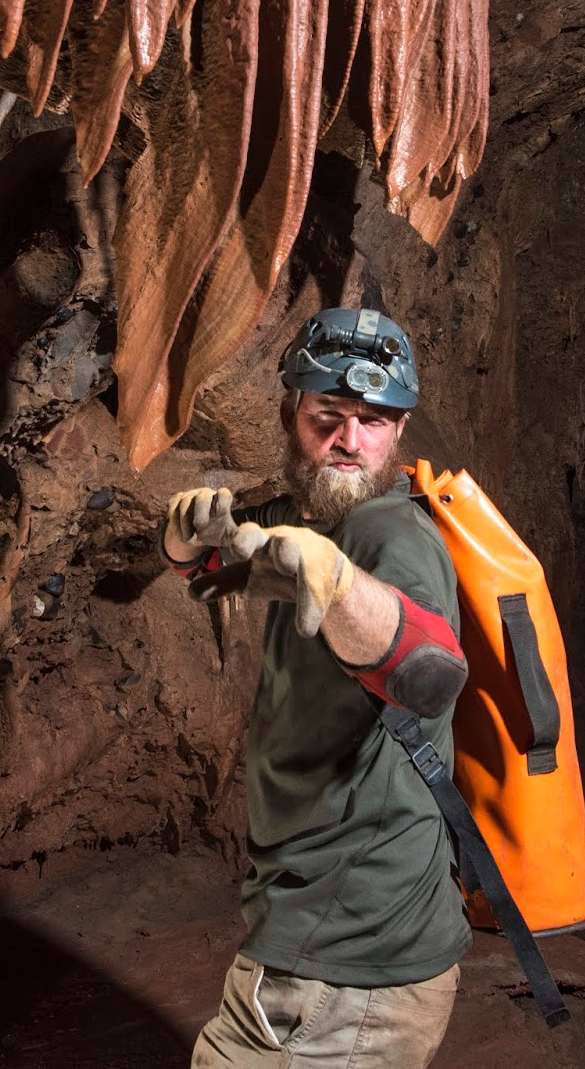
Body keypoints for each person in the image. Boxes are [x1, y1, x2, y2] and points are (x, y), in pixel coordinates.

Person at [162, 307, 472, 1068]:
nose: (349, 441)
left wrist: (338, 588)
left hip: (348, 959)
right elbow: (211, 567)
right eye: (328, 416)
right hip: (326, 927)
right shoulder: (307, 516)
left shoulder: (387, 537)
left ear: (399, 432)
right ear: (290, 414)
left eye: (372, 421)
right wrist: (180, 535)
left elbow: (427, 671)